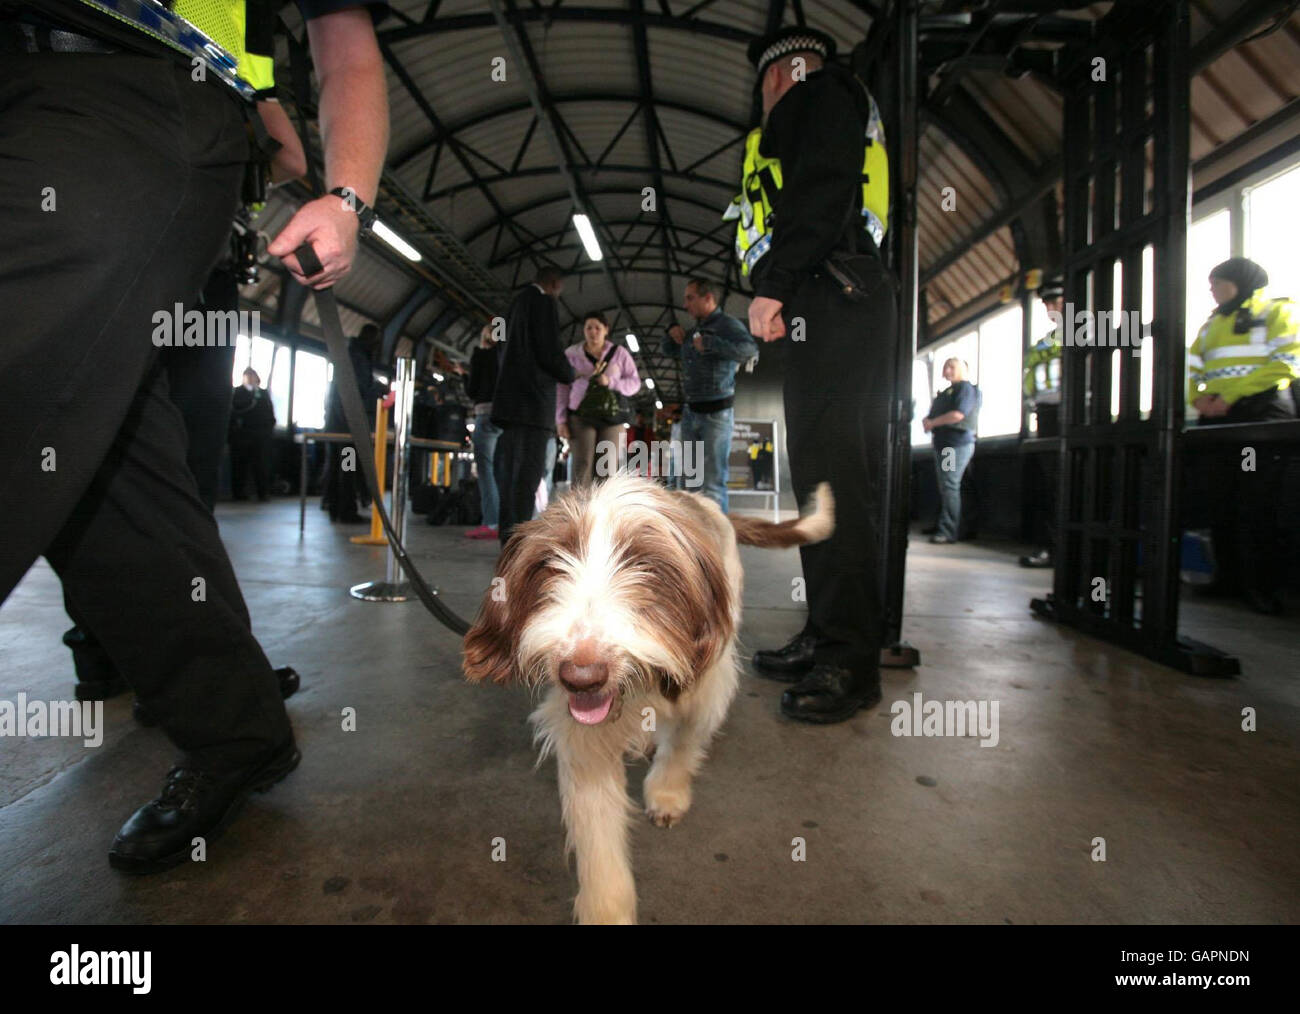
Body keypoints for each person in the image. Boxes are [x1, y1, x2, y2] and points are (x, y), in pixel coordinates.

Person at [0, 0, 389, 872]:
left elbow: (342, 47)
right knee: (106, 454)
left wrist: (348, 197)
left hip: (130, 87)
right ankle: (235, 726)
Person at [740, 26, 895, 724]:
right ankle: (827, 634)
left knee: (835, 481)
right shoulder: (828, 101)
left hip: (838, 296)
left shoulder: (825, 92)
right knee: (819, 483)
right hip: (827, 299)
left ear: (783, 74)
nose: (764, 102)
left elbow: (823, 190)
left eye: (765, 86)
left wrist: (774, 282)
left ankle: (851, 661)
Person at [1187, 257, 1298, 614]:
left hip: (1258, 419)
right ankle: (1228, 579)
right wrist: (1198, 398)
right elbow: (1191, 365)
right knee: (1221, 497)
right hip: (1220, 421)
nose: (1212, 290)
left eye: (1218, 282)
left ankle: (1262, 587)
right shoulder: (1210, 326)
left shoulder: (1277, 312)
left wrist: (1230, 398)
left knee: (1257, 498)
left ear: (1241, 282)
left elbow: (1288, 361)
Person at [491, 266, 575, 544]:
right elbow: (549, 350)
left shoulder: (512, 305)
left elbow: (500, 344)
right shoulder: (543, 303)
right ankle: (519, 542)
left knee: (508, 477)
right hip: (533, 404)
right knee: (527, 478)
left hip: (509, 404)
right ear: (553, 283)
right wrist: (569, 373)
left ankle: (506, 538)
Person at [666, 278, 758, 511]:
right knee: (688, 482)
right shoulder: (693, 330)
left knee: (713, 483)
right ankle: (691, 541)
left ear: (708, 298)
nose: (685, 305)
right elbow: (668, 350)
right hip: (690, 413)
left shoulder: (726, 324)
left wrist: (711, 343)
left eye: (690, 298)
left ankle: (718, 544)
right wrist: (670, 334)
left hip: (716, 414)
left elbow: (749, 350)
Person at [556, 311, 641, 487]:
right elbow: (562, 388)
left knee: (606, 467)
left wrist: (611, 382)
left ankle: (603, 510)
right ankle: (580, 510)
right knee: (582, 464)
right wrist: (561, 420)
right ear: (583, 331)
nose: (593, 332)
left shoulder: (619, 354)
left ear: (606, 330)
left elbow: (634, 384)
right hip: (580, 415)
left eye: (597, 328)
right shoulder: (571, 354)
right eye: (589, 328)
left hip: (612, 416)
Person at [1020, 280, 1065, 568]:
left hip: (1081, 414)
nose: (1051, 308)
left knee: (1077, 482)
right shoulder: (1043, 343)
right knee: (1051, 484)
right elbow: (1029, 380)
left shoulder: (1089, 334)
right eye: (1047, 303)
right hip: (1047, 414)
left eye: (1057, 302)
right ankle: (1052, 547)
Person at [323, 323, 386, 523]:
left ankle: (334, 507)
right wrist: (381, 390)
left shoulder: (350, 354)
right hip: (347, 426)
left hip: (336, 422)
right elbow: (360, 389)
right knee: (348, 467)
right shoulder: (358, 359)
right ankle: (346, 511)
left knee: (336, 466)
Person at [923, 358, 981, 545]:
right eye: (945, 365)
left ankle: (947, 530)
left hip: (953, 445)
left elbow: (958, 414)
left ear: (963, 369)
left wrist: (932, 423)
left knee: (949, 486)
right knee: (951, 487)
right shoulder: (947, 392)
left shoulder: (964, 389)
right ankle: (954, 525)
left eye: (951, 366)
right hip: (945, 444)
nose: (947, 369)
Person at [464, 324, 502, 540]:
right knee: (502, 472)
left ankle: (491, 522)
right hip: (506, 418)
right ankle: (505, 521)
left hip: (485, 414)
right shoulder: (509, 356)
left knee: (486, 472)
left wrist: (480, 348)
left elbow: (472, 390)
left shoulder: (482, 355)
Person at [229, 368, 277, 501]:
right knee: (240, 466)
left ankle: (263, 492)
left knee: (261, 465)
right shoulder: (237, 392)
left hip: (261, 435)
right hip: (242, 435)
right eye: (248, 376)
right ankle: (238, 493)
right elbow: (234, 410)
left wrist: (269, 428)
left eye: (253, 376)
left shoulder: (262, 393)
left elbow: (270, 412)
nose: (251, 378)